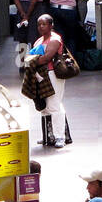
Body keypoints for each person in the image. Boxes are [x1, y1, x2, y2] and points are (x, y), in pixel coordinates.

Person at [26, 14, 68, 147]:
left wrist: (30, 59)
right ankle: (48, 136)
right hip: (40, 75)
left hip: (53, 74)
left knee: (54, 105)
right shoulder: (38, 41)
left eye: (44, 24)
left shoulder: (55, 39)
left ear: (51, 25)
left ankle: (60, 136)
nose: (41, 27)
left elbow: (46, 58)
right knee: (44, 108)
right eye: (39, 24)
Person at [13, 0, 45, 64]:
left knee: (22, 38)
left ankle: (22, 63)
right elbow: (34, 1)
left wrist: (22, 12)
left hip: (21, 8)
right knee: (36, 37)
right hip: (36, 10)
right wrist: (28, 15)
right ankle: (35, 61)